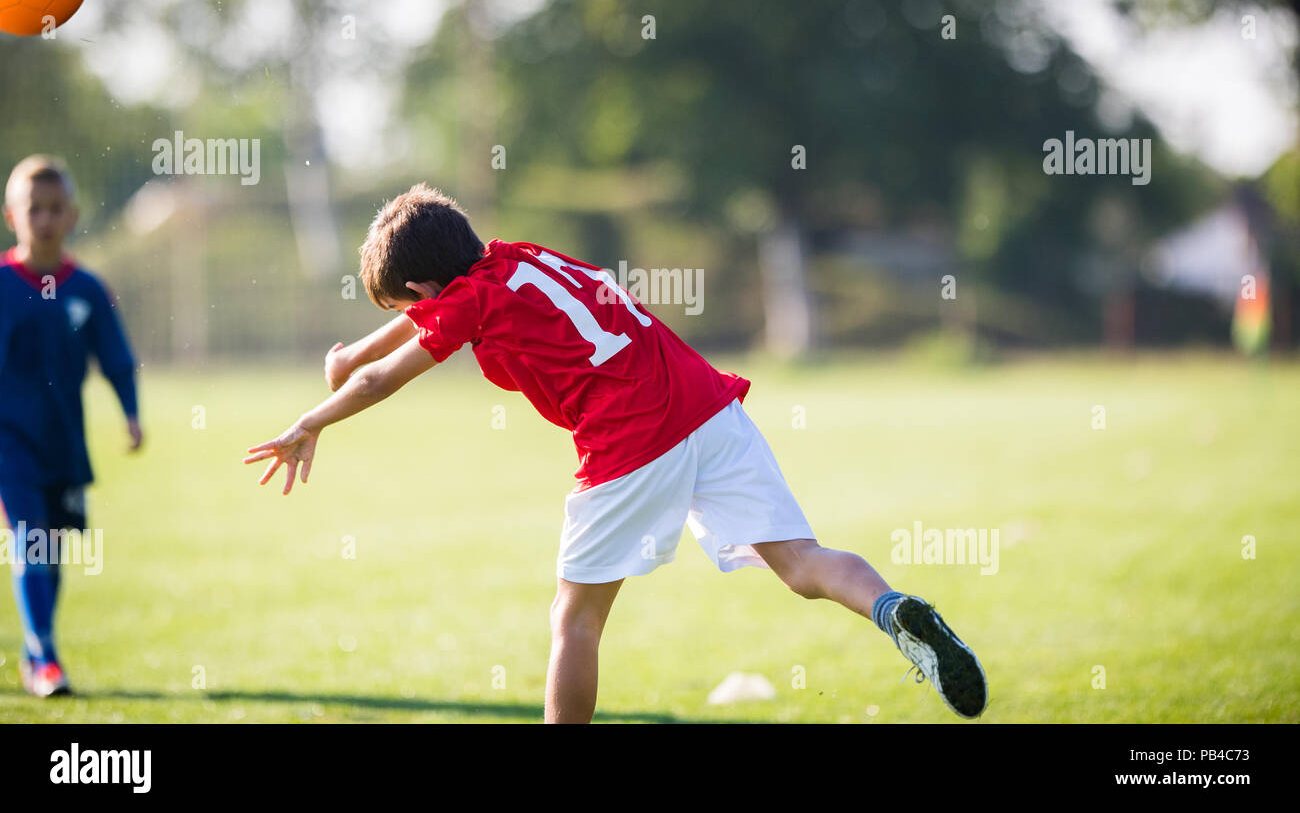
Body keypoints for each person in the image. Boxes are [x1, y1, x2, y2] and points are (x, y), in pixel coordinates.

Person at [244, 183, 987, 722]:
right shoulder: (517, 257)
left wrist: (313, 419)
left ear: (423, 287)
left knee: (575, 622)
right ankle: (893, 611)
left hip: (634, 440)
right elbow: (419, 323)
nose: (418, 321)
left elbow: (386, 373)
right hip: (707, 406)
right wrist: (351, 356)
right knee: (800, 563)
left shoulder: (467, 302)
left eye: (410, 307)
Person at [0, 155, 142, 697]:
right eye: (33, 209)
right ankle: (47, 660)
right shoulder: (3, 285)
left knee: (53, 551)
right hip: (9, 444)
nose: (44, 219)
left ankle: (35, 648)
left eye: (55, 209)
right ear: (12, 216)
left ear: (72, 215)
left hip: (63, 445)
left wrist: (130, 412)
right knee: (30, 541)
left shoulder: (86, 289)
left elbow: (116, 358)